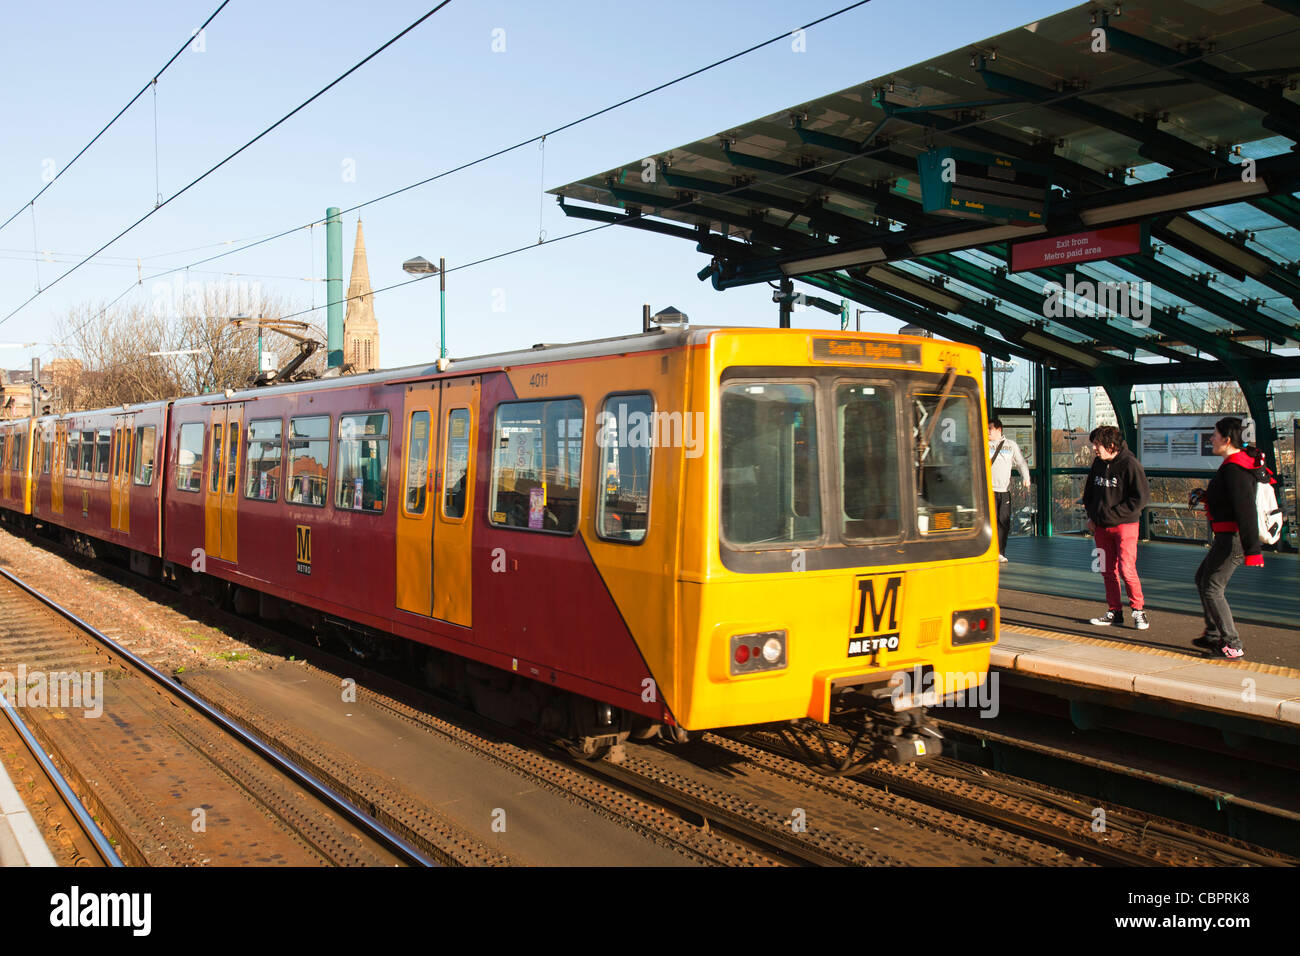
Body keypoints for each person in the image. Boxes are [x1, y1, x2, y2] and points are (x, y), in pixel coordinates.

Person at [1187, 417, 1275, 659]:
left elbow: (1245, 509)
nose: (1211, 439)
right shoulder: (1234, 464)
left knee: (1213, 588)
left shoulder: (1234, 469)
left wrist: (1253, 551)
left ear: (1226, 439)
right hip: (1227, 536)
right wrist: (1205, 496)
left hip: (1232, 539)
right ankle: (1214, 635)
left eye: (1214, 435)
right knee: (1202, 579)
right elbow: (1227, 500)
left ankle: (1232, 644)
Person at [1082, 425, 1150, 629]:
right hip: (1101, 527)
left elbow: (1140, 498)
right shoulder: (1098, 463)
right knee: (1106, 570)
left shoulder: (1130, 464)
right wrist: (1092, 515)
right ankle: (1114, 611)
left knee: (1126, 569)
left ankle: (1138, 610)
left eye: (1098, 445)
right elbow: (1089, 493)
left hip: (1125, 525)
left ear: (1111, 446)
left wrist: (1113, 514)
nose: (1095, 448)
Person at [987, 418, 1030, 563]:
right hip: (988, 490)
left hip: (1004, 490)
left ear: (999, 430)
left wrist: (1026, 477)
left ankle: (1000, 551)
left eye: (990, 429)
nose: (987, 432)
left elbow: (1021, 462)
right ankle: (990, 550)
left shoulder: (1011, 445)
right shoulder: (984, 445)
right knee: (990, 522)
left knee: (1003, 521)